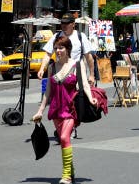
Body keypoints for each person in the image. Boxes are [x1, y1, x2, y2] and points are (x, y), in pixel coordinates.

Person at [32, 35, 97, 184]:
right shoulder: (52, 67)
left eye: (61, 48)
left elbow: (85, 84)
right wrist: (40, 110)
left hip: (70, 108)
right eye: (56, 48)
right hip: (56, 109)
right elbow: (48, 91)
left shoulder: (77, 65)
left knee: (63, 138)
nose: (58, 51)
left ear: (68, 49)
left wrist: (90, 96)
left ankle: (66, 175)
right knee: (64, 141)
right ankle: (71, 171)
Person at [38, 13, 95, 86]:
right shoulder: (56, 36)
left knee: (76, 96)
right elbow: (48, 54)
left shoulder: (81, 36)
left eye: (67, 23)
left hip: (76, 74)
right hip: (60, 73)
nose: (64, 25)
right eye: (62, 23)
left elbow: (89, 57)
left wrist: (91, 75)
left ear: (73, 24)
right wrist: (42, 69)